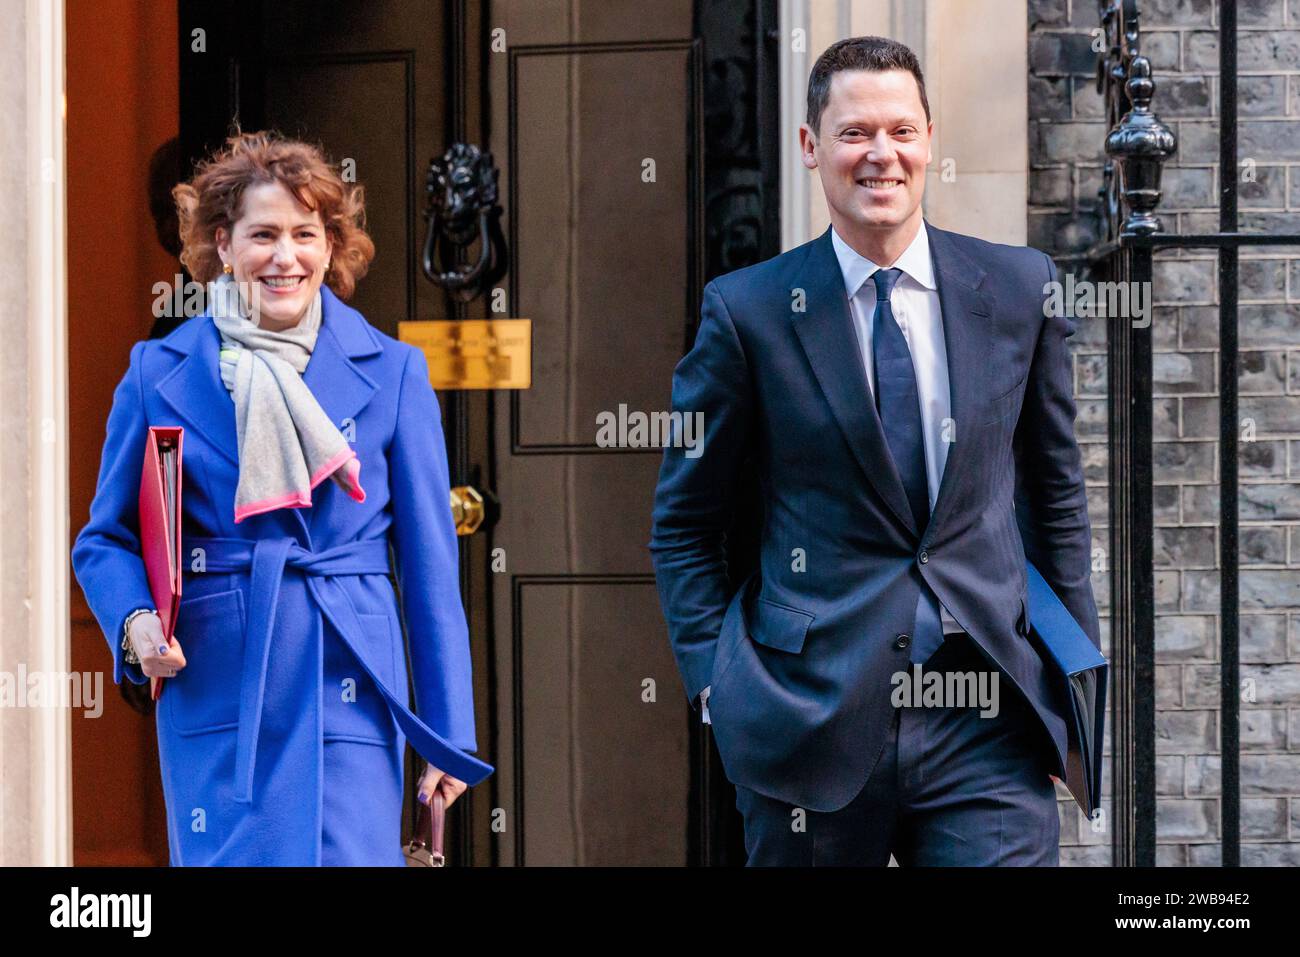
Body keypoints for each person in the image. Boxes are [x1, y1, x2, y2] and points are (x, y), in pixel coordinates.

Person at [650, 36, 1100, 865]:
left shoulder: (1016, 289)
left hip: (986, 718)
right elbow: (683, 524)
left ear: (930, 136)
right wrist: (721, 688)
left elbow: (1055, 501)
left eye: (901, 129)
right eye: (856, 132)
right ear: (811, 145)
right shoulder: (746, 313)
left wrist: (1077, 689)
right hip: (808, 719)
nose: (881, 155)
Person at [72, 128, 493, 865]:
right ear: (222, 246)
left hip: (350, 679)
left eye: (305, 233)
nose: (284, 255)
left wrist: (449, 732)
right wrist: (136, 621)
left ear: (331, 249)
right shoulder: (157, 371)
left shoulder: (394, 372)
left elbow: (430, 575)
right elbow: (103, 540)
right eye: (262, 234)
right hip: (219, 682)